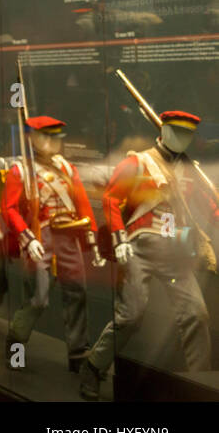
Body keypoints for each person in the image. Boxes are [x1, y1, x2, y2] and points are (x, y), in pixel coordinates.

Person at [81, 110, 218, 399]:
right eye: (177, 133)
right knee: (131, 316)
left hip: (174, 252)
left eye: (188, 135)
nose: (183, 139)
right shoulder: (139, 162)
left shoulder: (188, 169)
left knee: (196, 314)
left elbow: (208, 205)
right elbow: (111, 199)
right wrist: (119, 238)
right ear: (163, 131)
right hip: (138, 248)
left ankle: (200, 381)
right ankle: (94, 366)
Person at [1, 116, 104, 373]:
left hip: (69, 236)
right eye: (46, 136)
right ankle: (16, 343)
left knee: (76, 292)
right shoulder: (20, 171)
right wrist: (27, 237)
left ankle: (78, 352)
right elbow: (9, 208)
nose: (52, 142)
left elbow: (82, 204)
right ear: (32, 138)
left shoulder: (67, 169)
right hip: (40, 237)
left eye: (56, 136)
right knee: (38, 299)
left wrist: (92, 239)